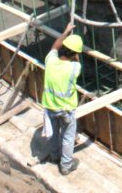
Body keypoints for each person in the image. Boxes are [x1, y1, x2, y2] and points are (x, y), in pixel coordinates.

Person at [42, 22, 84, 176]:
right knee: (67, 137)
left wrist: (65, 31)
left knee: (53, 133)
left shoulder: (50, 61)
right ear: (75, 54)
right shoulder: (74, 68)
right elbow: (77, 63)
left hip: (50, 107)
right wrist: (76, 55)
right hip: (66, 110)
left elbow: (55, 46)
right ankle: (66, 165)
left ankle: (54, 157)